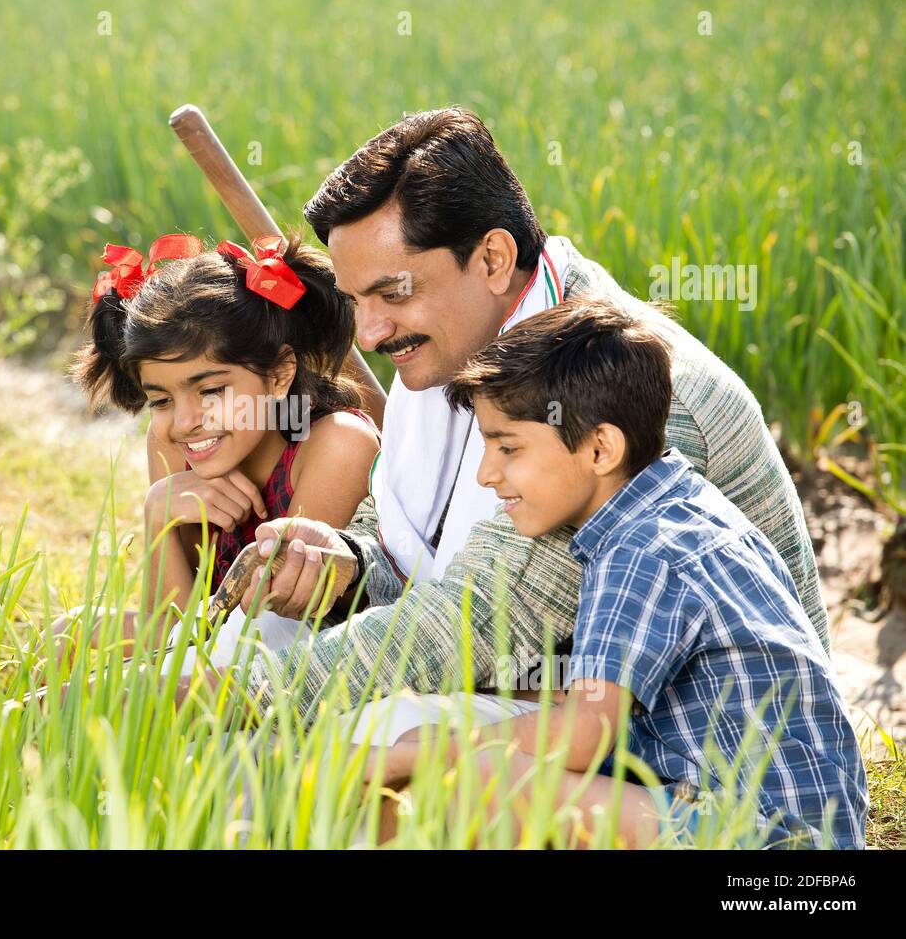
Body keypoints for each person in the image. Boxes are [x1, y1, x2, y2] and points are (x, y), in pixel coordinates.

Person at [211, 108, 828, 737]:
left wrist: (231, 695)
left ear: (494, 259)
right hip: (534, 673)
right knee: (260, 627)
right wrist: (347, 564)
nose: (369, 333)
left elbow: (477, 623)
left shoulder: (612, 388)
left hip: (694, 746)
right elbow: (404, 544)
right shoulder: (449, 345)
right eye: (355, 301)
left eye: (393, 294)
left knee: (381, 731)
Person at [366, 299, 867, 848]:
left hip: (768, 842)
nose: (488, 474)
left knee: (481, 775)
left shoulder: (642, 551)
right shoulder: (679, 509)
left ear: (601, 448)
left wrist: (413, 752)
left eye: (508, 447)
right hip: (757, 821)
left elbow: (584, 734)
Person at [68, 232, 379, 659]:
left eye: (212, 392)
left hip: (302, 673)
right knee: (68, 635)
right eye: (161, 400)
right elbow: (170, 630)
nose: (186, 421)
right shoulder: (172, 441)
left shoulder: (336, 445)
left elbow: (267, 635)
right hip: (209, 647)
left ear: (278, 375)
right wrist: (159, 512)